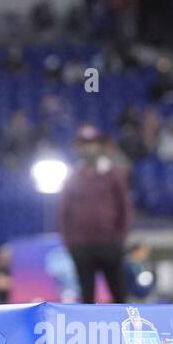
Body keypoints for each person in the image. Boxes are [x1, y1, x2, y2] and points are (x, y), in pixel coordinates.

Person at [58, 124, 131, 304]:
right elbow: (64, 211)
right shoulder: (73, 176)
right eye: (84, 143)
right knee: (86, 296)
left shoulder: (113, 174)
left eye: (92, 143)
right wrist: (70, 243)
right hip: (82, 246)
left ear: (100, 145)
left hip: (109, 244)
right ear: (78, 147)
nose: (89, 148)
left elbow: (124, 208)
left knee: (119, 294)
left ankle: (125, 330)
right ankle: (88, 331)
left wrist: (120, 238)